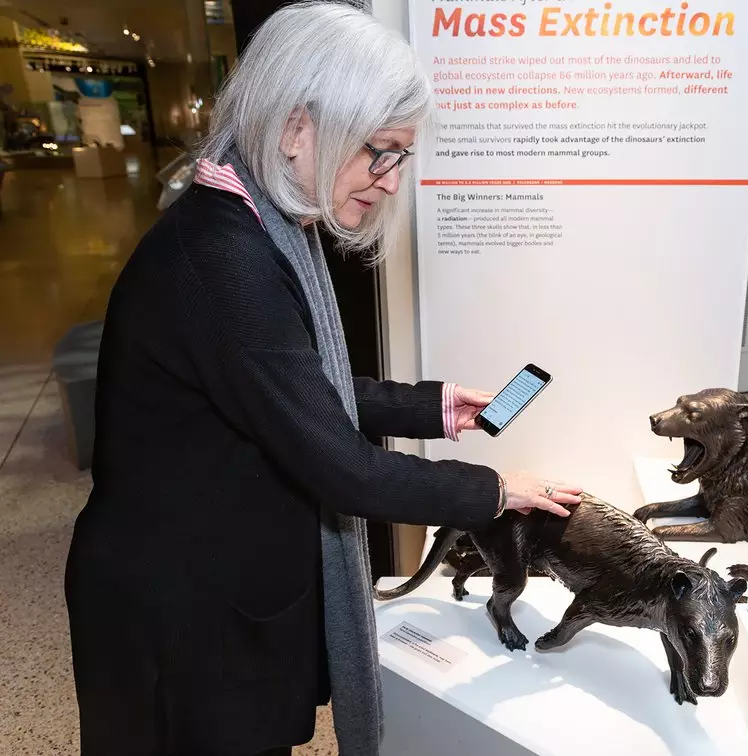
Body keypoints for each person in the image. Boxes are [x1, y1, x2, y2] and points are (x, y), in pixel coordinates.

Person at [63, 4, 582, 755]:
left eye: (400, 156)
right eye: (382, 151)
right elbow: (339, 466)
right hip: (181, 618)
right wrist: (493, 492)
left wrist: (433, 408)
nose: (390, 180)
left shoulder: (253, 225)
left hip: (211, 587)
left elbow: (297, 387)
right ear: (298, 127)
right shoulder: (225, 261)